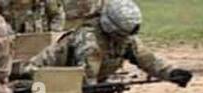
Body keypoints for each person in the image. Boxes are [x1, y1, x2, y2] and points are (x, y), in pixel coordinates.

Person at [24, 0, 190, 85]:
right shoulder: (90, 42)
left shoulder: (124, 38)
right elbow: (85, 82)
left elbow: (147, 59)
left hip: (72, 82)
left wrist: (171, 73)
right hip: (40, 78)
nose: (127, 38)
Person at [0, 0, 64, 33]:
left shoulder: (46, 2)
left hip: (42, 43)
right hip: (14, 47)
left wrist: (53, 34)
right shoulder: (3, 4)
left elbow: (58, 15)